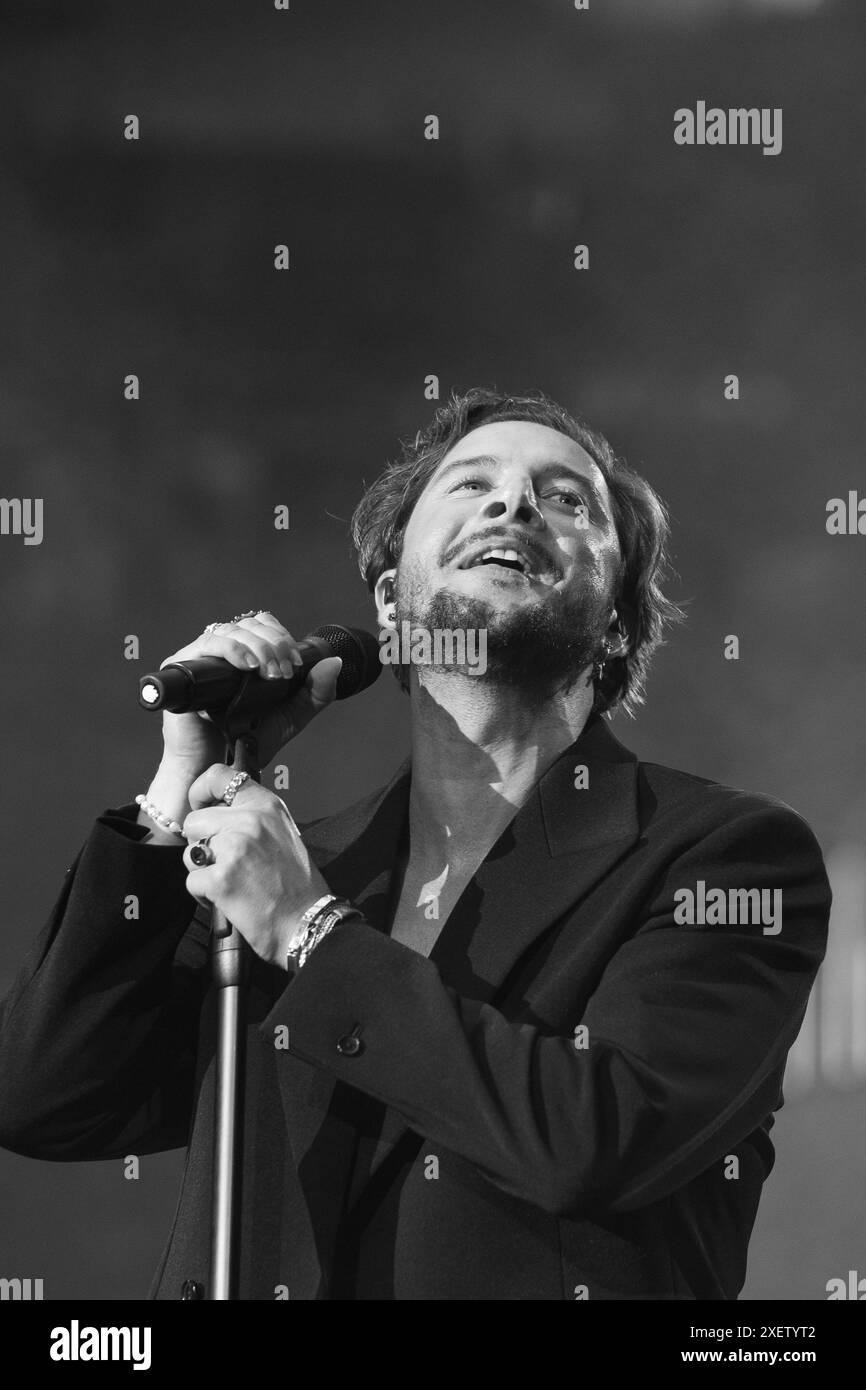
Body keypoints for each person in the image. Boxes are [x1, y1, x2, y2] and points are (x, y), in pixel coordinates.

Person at [0, 388, 830, 1300]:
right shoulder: (290, 868)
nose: (511, 504)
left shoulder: (724, 857)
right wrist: (172, 796)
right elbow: (47, 1099)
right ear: (393, 601)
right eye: (470, 484)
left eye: (566, 499)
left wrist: (311, 934)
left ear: (620, 623)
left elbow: (601, 1140)